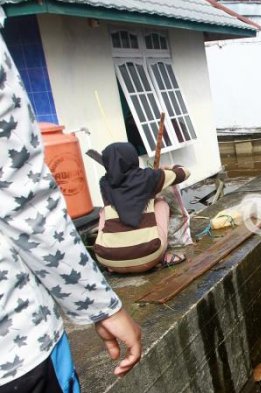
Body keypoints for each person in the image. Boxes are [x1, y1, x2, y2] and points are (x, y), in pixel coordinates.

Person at [0, 34, 141, 392]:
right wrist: (99, 305)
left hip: (108, 255)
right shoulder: (149, 179)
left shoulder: (107, 186)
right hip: (17, 348)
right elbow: (24, 203)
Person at [94, 142, 190, 273]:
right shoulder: (150, 177)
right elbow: (185, 172)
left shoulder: (104, 183)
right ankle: (164, 255)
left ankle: (114, 258)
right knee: (161, 203)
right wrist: (171, 167)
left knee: (104, 211)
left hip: (107, 259)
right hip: (149, 257)